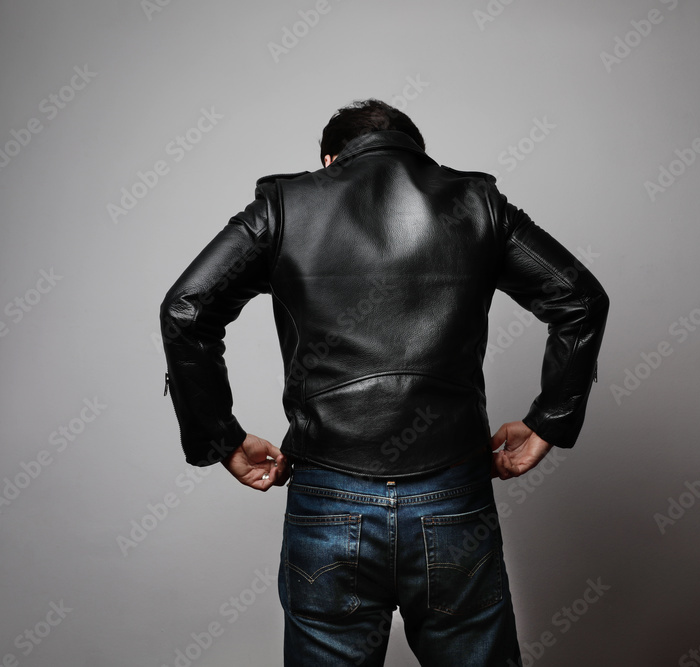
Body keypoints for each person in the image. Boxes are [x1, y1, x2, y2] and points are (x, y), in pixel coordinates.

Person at [160, 99, 609, 666]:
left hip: (328, 498)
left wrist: (220, 437)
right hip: (451, 498)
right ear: (418, 154)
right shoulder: (478, 204)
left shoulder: (283, 207)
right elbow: (580, 298)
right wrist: (550, 420)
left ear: (330, 160)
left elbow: (186, 309)